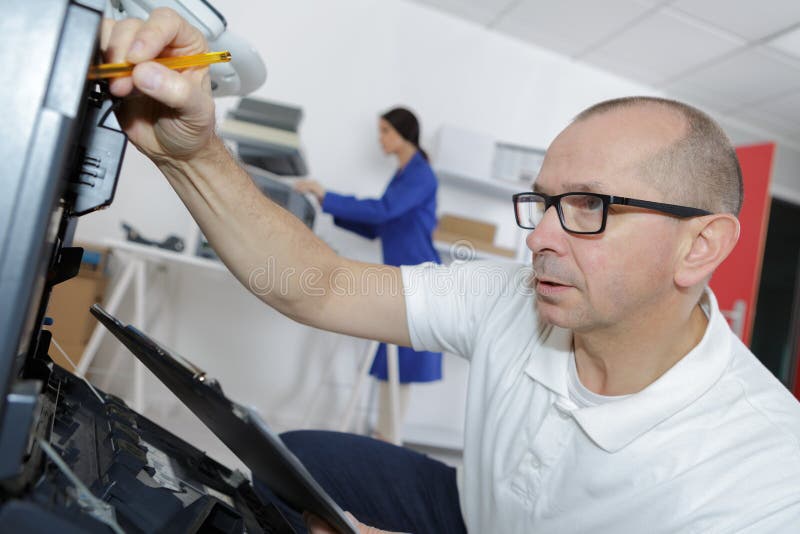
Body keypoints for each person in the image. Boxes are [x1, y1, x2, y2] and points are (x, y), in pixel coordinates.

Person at [102, 9, 800, 534]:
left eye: (587, 206)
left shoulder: (761, 470)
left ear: (701, 246)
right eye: (545, 202)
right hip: (478, 515)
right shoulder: (514, 295)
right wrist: (189, 155)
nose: (541, 240)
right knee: (303, 461)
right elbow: (322, 284)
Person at [293, 108, 443, 440]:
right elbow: (379, 226)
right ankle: (385, 435)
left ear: (404, 133)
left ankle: (389, 438)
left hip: (418, 275)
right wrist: (326, 205)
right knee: (393, 364)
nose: (380, 138)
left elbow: (384, 211)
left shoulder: (420, 173)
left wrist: (328, 196)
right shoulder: (404, 173)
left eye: (386, 131)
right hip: (401, 276)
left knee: (401, 364)